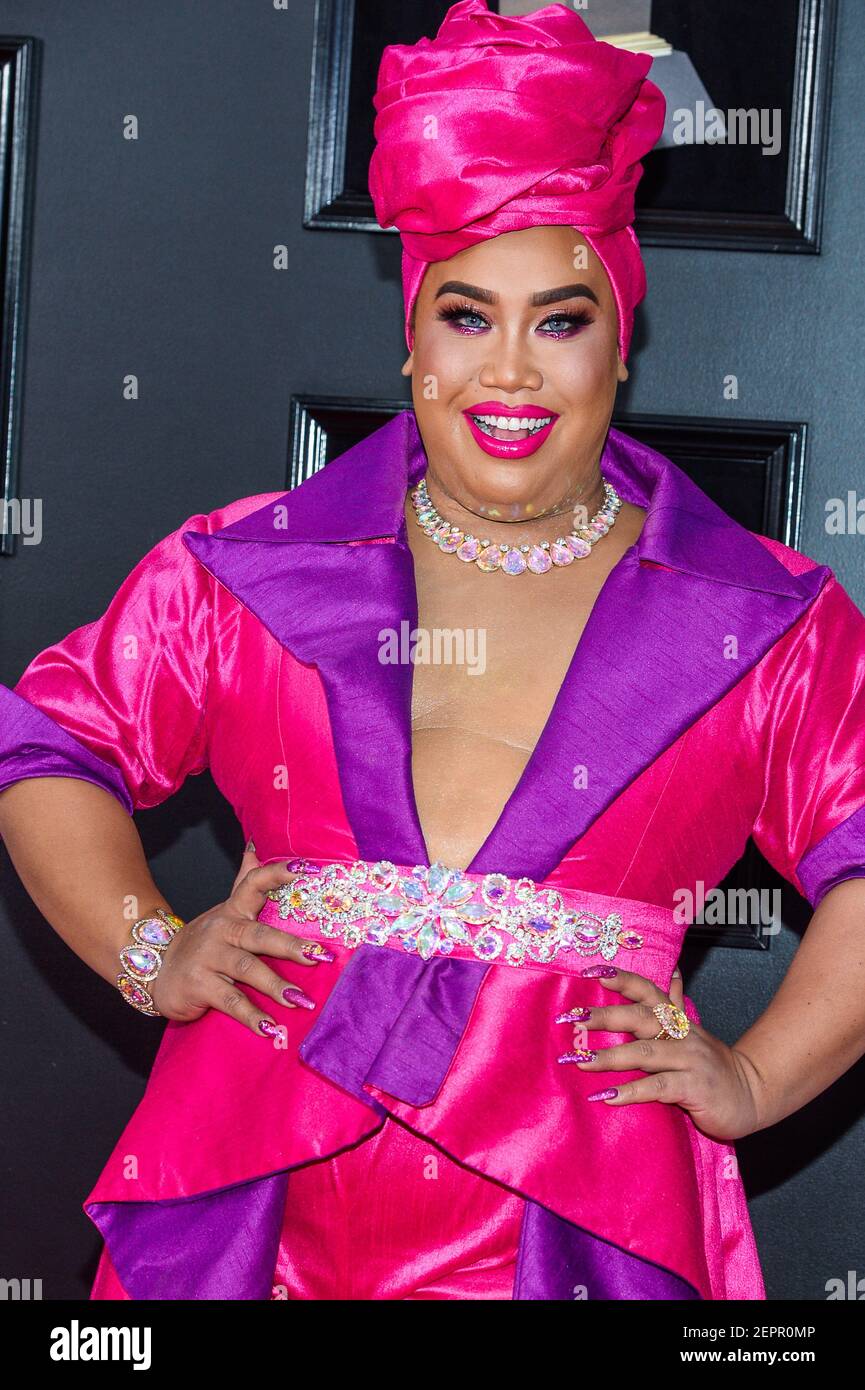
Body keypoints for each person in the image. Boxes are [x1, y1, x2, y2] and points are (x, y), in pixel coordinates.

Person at [1, 0, 864, 1301]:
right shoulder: (245, 563)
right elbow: (48, 741)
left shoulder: (771, 618)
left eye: (559, 319)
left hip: (574, 1225)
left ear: (620, 338)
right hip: (251, 1208)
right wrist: (149, 948)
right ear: (411, 336)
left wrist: (752, 1075)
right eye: (467, 314)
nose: (508, 370)